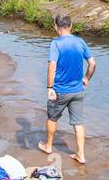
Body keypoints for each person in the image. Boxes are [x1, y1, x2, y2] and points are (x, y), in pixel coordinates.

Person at [41, 14, 95, 165]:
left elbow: (52, 65)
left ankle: (49, 146)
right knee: (78, 123)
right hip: (78, 90)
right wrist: (86, 78)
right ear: (71, 26)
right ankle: (81, 155)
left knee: (52, 117)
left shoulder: (56, 43)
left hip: (61, 90)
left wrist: (50, 87)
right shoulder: (80, 41)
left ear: (56, 27)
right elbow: (92, 64)